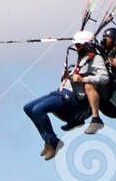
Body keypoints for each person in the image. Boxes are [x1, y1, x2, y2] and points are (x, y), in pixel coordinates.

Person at [23, 31, 109, 159]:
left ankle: (54, 142)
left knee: (38, 110)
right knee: (28, 108)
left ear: (87, 45)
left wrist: (82, 79)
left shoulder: (96, 58)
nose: (76, 48)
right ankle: (48, 140)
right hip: (61, 92)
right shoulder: (82, 58)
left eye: (79, 45)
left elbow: (104, 78)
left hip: (74, 99)